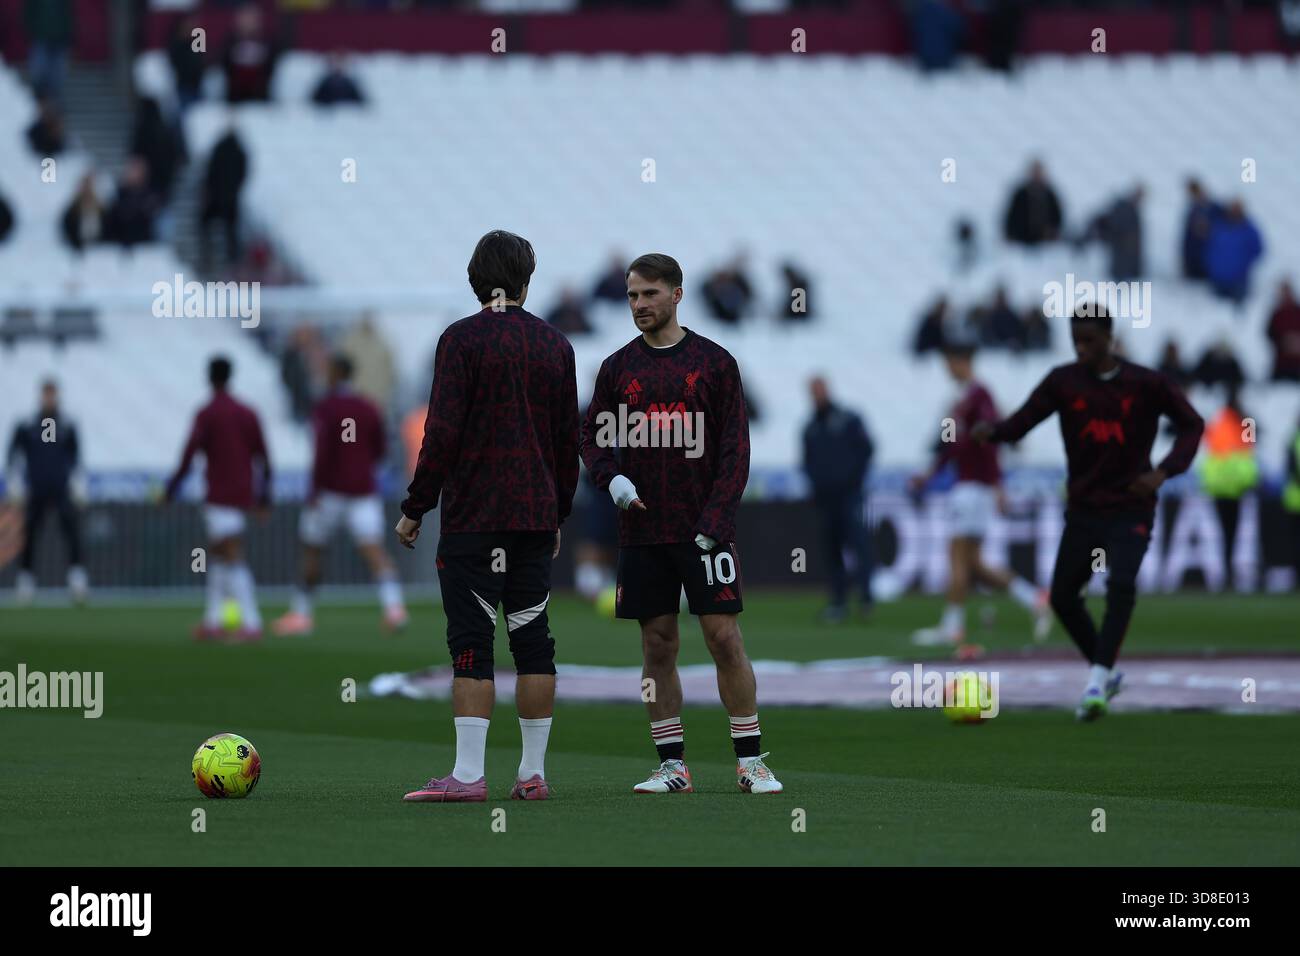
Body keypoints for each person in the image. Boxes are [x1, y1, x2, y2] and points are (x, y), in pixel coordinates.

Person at [580, 253, 782, 796]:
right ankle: (672, 765)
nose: (639, 305)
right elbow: (593, 439)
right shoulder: (618, 368)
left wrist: (715, 521)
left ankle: (751, 761)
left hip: (703, 531)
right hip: (644, 533)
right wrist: (612, 480)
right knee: (658, 645)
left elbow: (735, 452)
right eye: (631, 296)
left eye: (649, 294)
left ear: (676, 294)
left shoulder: (715, 363)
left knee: (723, 637)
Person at [398, 230, 579, 804]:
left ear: (476, 278)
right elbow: (566, 442)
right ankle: (531, 774)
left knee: (472, 646)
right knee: (534, 643)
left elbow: (442, 433)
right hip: (532, 517)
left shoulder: (460, 342)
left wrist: (415, 507)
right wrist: (557, 516)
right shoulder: (556, 346)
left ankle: (469, 778)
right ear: (527, 279)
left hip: (476, 516)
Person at [972, 306, 1204, 721]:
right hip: (1083, 511)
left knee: (1121, 582)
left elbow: (1193, 424)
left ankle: (1097, 680)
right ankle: (1107, 670)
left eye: (1089, 340)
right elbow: (1023, 423)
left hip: (1131, 505)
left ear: (1109, 338)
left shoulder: (1145, 383)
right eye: (1075, 340)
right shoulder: (1064, 382)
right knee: (1062, 596)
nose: (1080, 348)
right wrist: (992, 432)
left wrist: (1163, 472)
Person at [909, 343, 1050, 657]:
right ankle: (1035, 599)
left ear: (963, 361)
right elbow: (951, 447)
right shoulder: (961, 400)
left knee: (957, 555)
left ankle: (952, 626)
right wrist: (930, 474)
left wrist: (998, 484)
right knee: (974, 563)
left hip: (974, 488)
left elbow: (989, 441)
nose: (946, 369)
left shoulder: (979, 396)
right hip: (970, 485)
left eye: (949, 362)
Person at [273, 355, 407, 636]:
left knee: (312, 549)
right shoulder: (369, 407)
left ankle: (301, 613)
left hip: (331, 491)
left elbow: (323, 453)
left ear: (335, 373)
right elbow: (380, 449)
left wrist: (315, 489)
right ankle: (394, 609)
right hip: (363, 490)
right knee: (374, 550)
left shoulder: (326, 408)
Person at [164, 357, 273, 642]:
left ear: (209, 377)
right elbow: (264, 456)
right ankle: (213, 620)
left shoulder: (208, 413)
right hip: (242, 493)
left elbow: (188, 455)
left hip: (220, 495)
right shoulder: (247, 413)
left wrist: (171, 490)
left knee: (231, 554)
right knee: (219, 554)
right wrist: (264, 497)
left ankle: (251, 622)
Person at [6, 380, 87, 605]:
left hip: (61, 488)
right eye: (46, 394)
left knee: (71, 531)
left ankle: (77, 580)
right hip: (36, 488)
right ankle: (26, 581)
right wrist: (14, 483)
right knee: (30, 535)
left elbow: (76, 457)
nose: (49, 399)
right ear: (40, 396)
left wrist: (78, 484)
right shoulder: (27, 425)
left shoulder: (67, 425)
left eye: (52, 394)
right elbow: (13, 455)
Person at [801, 376, 874, 623]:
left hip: (849, 495)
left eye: (819, 389)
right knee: (831, 549)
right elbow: (807, 461)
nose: (817, 394)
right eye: (813, 390)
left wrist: (854, 480)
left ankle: (865, 596)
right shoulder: (810, 427)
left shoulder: (849, 419)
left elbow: (867, 450)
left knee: (858, 543)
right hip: (825, 498)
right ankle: (839, 601)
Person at [1198, 388, 1258, 589]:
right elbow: (1250, 448)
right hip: (1235, 486)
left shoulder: (1219, 421)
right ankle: (1228, 572)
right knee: (1231, 532)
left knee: (1226, 532)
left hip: (1219, 486)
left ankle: (1227, 572)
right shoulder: (1244, 422)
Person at [200, 124, 248, 266]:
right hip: (231, 197)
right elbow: (243, 172)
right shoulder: (239, 150)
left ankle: (207, 254)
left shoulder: (219, 148)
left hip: (216, 196)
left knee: (206, 225)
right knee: (230, 231)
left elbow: (211, 171)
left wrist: (209, 189)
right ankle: (233, 259)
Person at [1204, 200, 1263, 305]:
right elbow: (1209, 246)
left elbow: (1258, 250)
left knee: (1237, 313)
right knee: (1214, 311)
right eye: (1233, 209)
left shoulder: (1248, 229)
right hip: (1218, 278)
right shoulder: (1220, 226)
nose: (1234, 212)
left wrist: (1245, 264)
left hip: (1238, 280)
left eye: (1237, 209)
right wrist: (1211, 264)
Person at [1003, 160, 1063, 247]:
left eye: (1038, 173)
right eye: (1034, 172)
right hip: (1022, 239)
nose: (1036, 175)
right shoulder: (1021, 194)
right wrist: (1011, 233)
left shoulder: (1049, 194)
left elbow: (1057, 216)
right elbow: (1012, 216)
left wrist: (1053, 231)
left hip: (1045, 241)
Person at [1180, 178, 1220, 281]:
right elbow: (1188, 238)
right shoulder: (1193, 210)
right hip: (1193, 260)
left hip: (1209, 260)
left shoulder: (1215, 209)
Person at [1266, 280, 1300, 382]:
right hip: (1282, 363)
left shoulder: (1298, 312)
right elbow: (1269, 333)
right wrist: (1283, 342)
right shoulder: (1277, 314)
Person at [60, 173, 105, 251]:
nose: (87, 188)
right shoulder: (72, 211)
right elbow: (67, 231)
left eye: (90, 185)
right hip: (79, 249)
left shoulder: (103, 210)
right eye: (85, 185)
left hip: (99, 251)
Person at [1283, 414, 1300, 588]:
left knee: (1294, 542)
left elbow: (1290, 470)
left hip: (1294, 499)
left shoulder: (1292, 440)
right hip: (1295, 499)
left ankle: (1296, 577)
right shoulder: (1293, 441)